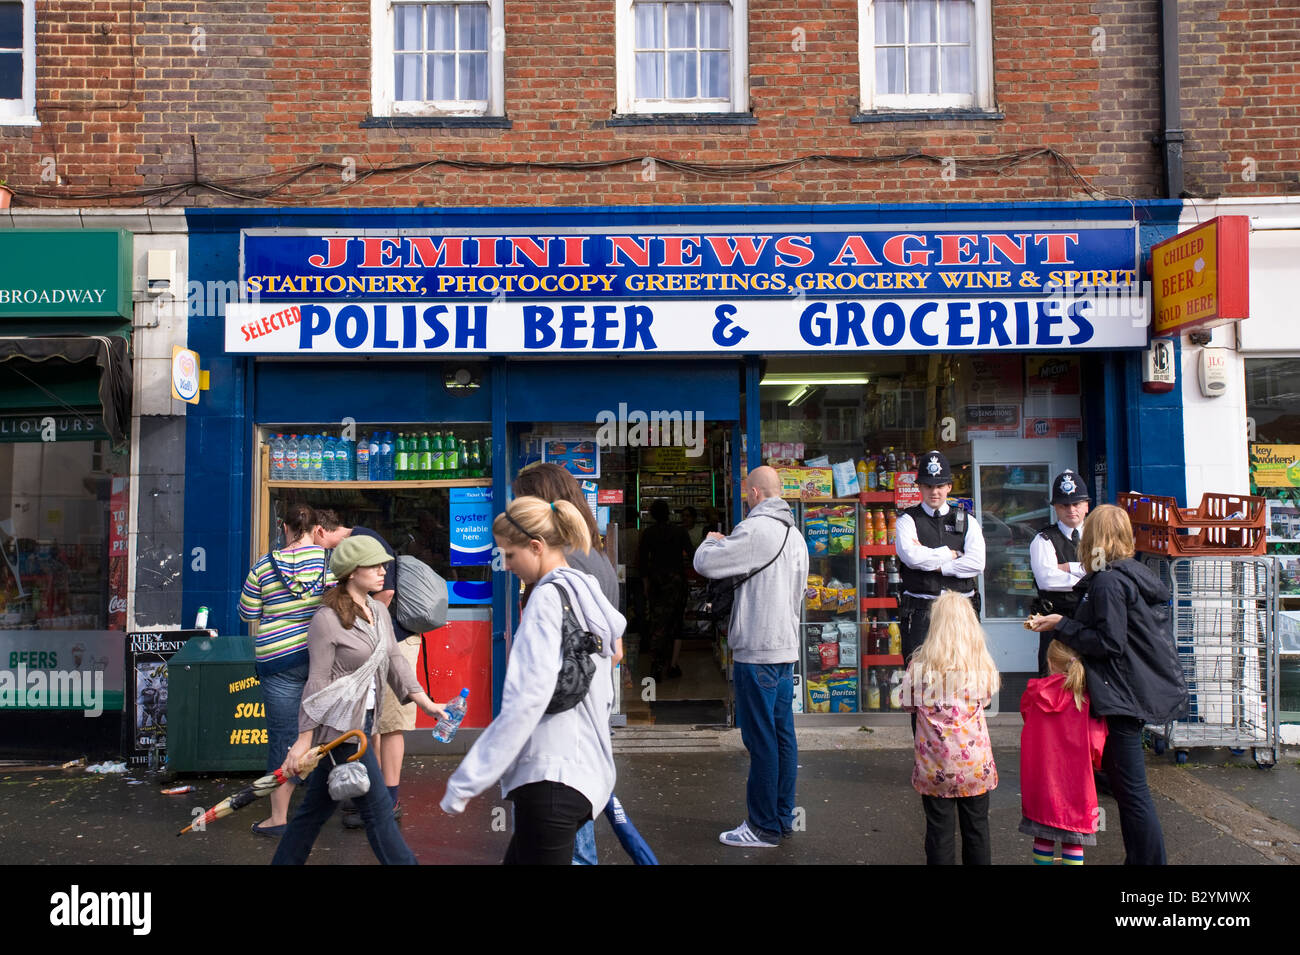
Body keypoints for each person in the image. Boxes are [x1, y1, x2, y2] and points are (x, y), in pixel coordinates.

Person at [440, 496, 625, 864]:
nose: (506, 566)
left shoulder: (545, 600)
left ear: (536, 547)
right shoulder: (583, 588)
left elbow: (526, 701)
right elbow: (610, 664)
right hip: (579, 774)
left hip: (550, 778)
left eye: (510, 555)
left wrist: (467, 781)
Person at [272, 535, 447, 865]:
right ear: (352, 571)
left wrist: (426, 703)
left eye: (383, 564)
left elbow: (395, 659)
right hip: (342, 731)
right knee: (380, 813)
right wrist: (304, 739)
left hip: (364, 724)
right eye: (374, 565)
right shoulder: (326, 619)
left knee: (312, 814)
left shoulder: (379, 610)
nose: (383, 571)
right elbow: (318, 682)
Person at [1029, 504, 1189, 865]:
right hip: (1130, 690)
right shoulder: (1130, 574)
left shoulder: (1109, 582)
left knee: (1132, 791)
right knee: (1124, 786)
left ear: (1095, 538)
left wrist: (1062, 626)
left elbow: (1109, 642)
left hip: (1123, 696)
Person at [512, 462, 625, 866]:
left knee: (564, 835)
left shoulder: (566, 566)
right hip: (582, 715)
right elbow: (615, 647)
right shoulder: (592, 556)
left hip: (564, 723)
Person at [693, 465, 807, 849]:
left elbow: (705, 563)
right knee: (782, 737)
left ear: (756, 494)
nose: (745, 499)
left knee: (761, 742)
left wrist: (710, 541)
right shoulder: (797, 536)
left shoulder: (755, 530)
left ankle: (762, 828)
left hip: (757, 650)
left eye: (746, 494)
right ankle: (782, 817)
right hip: (784, 649)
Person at [313, 509, 416, 826]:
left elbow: (386, 593)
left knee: (389, 723)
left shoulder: (363, 542)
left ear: (320, 531)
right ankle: (371, 797)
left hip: (394, 642)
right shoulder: (361, 538)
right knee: (372, 723)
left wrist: (364, 629)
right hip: (384, 645)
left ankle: (389, 799)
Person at [238, 503, 333, 837]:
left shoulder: (264, 565)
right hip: (321, 657)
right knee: (329, 731)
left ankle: (279, 817)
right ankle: (337, 805)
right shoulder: (328, 562)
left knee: (283, 737)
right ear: (315, 528)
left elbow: (247, 612)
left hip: (277, 660)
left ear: (284, 527)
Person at [900, 590, 1000, 865]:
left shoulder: (919, 668)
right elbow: (987, 698)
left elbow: (906, 704)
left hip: (935, 768)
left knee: (939, 833)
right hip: (975, 768)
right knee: (977, 830)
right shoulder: (981, 666)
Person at [1019, 639, 1108, 865]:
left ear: (1049, 662)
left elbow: (1027, 718)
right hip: (1077, 782)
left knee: (1043, 836)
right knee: (1074, 839)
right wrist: (1096, 764)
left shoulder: (1034, 693)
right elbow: (1097, 744)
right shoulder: (1086, 699)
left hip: (1042, 780)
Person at [894, 450, 986, 664]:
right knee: (920, 680)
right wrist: (951, 554)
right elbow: (912, 557)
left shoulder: (967, 520)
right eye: (928, 486)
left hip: (961, 613)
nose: (934, 491)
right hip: (922, 612)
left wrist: (938, 566)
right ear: (919, 487)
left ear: (949, 487)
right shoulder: (908, 520)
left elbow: (977, 563)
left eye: (939, 486)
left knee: (965, 677)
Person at [1029, 470, 1090, 675]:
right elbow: (1047, 579)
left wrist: (1069, 567)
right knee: (1052, 689)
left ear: (1086, 505)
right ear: (1055, 507)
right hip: (1054, 625)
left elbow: (1103, 571)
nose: (1071, 509)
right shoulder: (1044, 539)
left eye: (1076, 504)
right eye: (1064, 505)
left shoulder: (1096, 537)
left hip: (1088, 624)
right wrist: (1087, 573)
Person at [640, 500, 693, 681]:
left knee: (658, 623)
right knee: (677, 622)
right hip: (677, 583)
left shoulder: (648, 533)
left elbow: (642, 562)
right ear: (669, 513)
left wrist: (646, 583)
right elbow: (693, 555)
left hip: (657, 583)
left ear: (653, 515)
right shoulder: (680, 532)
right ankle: (673, 665)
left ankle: (656, 664)